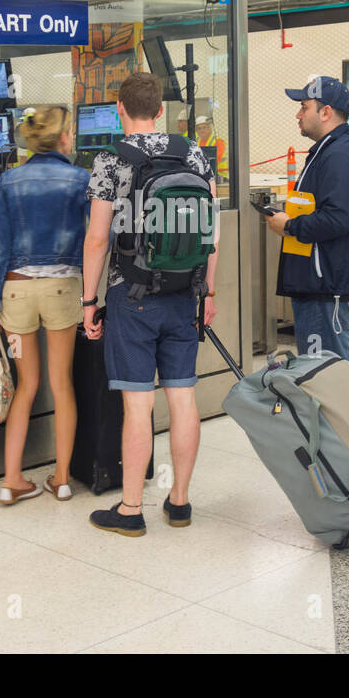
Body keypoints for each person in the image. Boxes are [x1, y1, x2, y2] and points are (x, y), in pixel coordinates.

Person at [82, 72, 218, 537]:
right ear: (161, 109)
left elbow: (98, 238)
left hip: (131, 294)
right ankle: (179, 501)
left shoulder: (109, 161)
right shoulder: (195, 154)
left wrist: (88, 301)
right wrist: (209, 293)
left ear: (120, 109)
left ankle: (131, 508)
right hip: (185, 293)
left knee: (137, 405)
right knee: (182, 396)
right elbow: (210, 235)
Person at [0, 106, 90, 505]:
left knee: (25, 385)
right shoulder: (82, 179)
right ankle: (61, 478)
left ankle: (11, 479)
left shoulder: (9, 180)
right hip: (62, 288)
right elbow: (94, 240)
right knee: (61, 384)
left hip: (16, 292)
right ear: (63, 137)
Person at [265, 76, 349, 367]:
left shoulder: (339, 155)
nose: (298, 115)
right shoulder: (337, 148)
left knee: (327, 378)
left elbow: (339, 218)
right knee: (336, 375)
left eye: (303, 107)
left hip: (328, 287)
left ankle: (342, 416)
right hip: (330, 284)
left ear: (326, 112)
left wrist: (289, 226)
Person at [193, 113, 228, 180]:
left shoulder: (218, 142)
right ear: (196, 131)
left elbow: (215, 161)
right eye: (199, 128)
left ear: (210, 128)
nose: (202, 131)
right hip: (203, 175)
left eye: (204, 127)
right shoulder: (195, 142)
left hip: (220, 176)